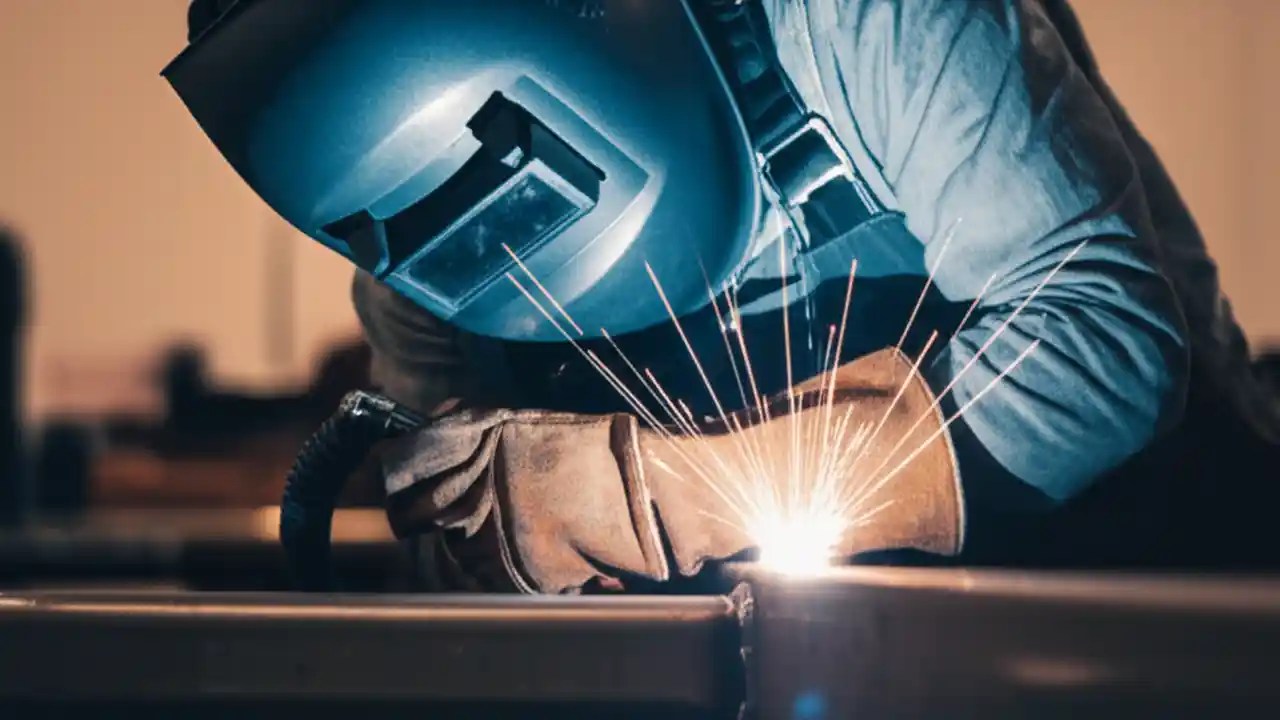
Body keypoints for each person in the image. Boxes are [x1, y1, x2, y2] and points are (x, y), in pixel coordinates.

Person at [173, 0, 1279, 592]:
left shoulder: (851, 18)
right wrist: (484, 535)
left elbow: (1106, 347)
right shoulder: (405, 246)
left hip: (1146, 629)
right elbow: (452, 582)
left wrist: (669, 493)